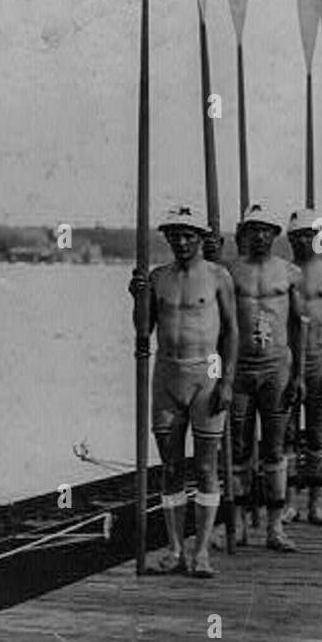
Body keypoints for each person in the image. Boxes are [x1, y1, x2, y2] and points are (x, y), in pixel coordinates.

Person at [129, 205, 237, 577]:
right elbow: (143, 332)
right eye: (175, 235)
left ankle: (202, 550)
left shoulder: (219, 277)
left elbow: (231, 334)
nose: (182, 241)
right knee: (171, 466)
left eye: (189, 235)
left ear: (201, 238)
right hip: (167, 375)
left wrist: (225, 380)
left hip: (205, 372)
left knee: (206, 466)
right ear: (168, 238)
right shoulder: (158, 278)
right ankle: (175, 548)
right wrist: (137, 298)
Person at [228, 202, 304, 552]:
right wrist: (220, 376)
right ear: (243, 234)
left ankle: (274, 528)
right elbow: (220, 329)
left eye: (265, 229)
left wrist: (300, 374)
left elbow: (299, 327)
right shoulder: (228, 273)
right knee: (240, 448)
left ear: (275, 234)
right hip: (241, 368)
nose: (259, 235)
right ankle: (240, 524)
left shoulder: (290, 273)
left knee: (274, 448)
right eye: (252, 229)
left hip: (277, 367)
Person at [284, 209, 322, 526]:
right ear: (290, 239)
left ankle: (316, 504)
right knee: (289, 433)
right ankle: (290, 502)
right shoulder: (284, 273)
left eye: (308, 234)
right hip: (290, 359)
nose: (303, 241)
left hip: (321, 358)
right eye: (297, 236)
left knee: (317, 434)